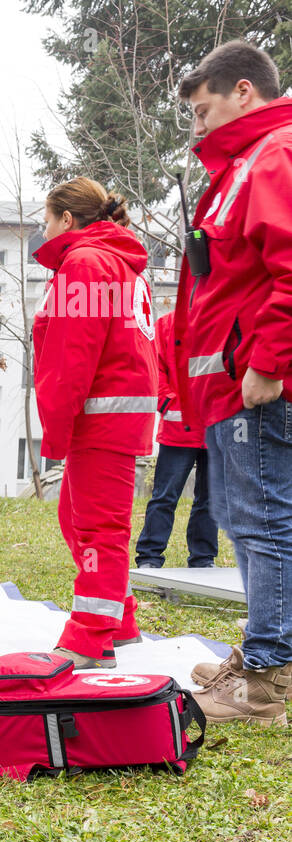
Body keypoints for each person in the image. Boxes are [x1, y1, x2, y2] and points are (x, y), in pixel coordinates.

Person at [174, 41, 292, 725]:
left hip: (255, 384)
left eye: (202, 109)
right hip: (231, 384)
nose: (196, 126)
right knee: (248, 525)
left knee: (266, 524)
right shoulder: (246, 165)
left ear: (242, 91)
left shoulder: (271, 157)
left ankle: (265, 683)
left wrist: (268, 365)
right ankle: (258, 656)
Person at [32, 176, 156, 669]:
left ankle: (91, 635)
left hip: (100, 414)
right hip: (114, 412)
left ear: (66, 219)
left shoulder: (85, 262)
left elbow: (71, 353)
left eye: (46, 221)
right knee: (76, 519)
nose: (44, 233)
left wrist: (56, 429)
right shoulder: (118, 263)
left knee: (98, 529)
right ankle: (119, 619)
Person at [134, 309, 218, 570]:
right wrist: (168, 402)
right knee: (164, 497)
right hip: (178, 429)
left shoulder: (225, 320)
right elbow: (153, 366)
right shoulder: (167, 325)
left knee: (211, 499)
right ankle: (149, 556)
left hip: (216, 428)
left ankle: (203, 559)